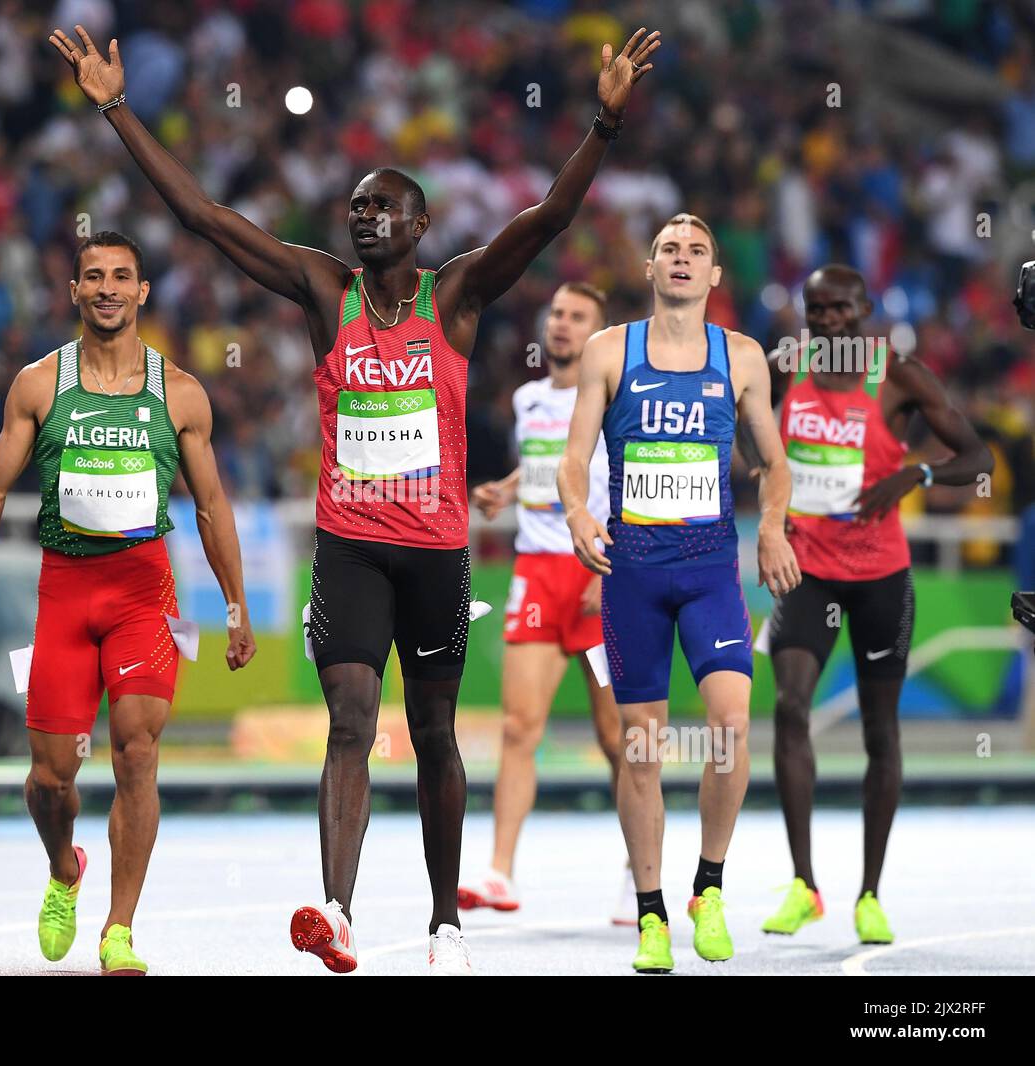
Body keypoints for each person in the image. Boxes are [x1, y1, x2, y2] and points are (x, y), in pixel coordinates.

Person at [48, 22, 659, 974]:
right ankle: (336, 911)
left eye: (384, 208)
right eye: (357, 206)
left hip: (435, 550)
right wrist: (117, 110)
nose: (363, 216)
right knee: (348, 721)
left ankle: (445, 924)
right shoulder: (320, 285)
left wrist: (605, 127)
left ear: (418, 228)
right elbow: (206, 217)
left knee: (433, 733)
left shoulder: (453, 298)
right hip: (349, 546)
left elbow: (545, 220)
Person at [0, 231, 256, 975]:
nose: (109, 288)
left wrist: (236, 605)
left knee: (137, 754)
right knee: (50, 778)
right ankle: (64, 869)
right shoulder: (39, 385)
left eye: (123, 276)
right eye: (95, 277)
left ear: (143, 292)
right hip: (64, 594)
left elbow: (211, 506)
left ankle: (120, 929)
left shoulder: (179, 392)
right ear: (76, 292)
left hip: (145, 596)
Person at [558, 213, 801, 974]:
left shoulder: (743, 357)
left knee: (731, 728)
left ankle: (710, 887)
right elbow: (573, 461)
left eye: (699, 250)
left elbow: (776, 462)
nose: (685, 259)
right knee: (642, 751)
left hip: (707, 575)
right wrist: (574, 511)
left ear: (716, 275)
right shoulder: (608, 352)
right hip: (630, 577)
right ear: (651, 266)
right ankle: (652, 913)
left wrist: (771, 529)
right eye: (671, 248)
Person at [752, 264, 993, 944]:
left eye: (838, 309)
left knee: (878, 734)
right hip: (807, 569)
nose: (825, 320)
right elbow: (745, 424)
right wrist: (758, 464)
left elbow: (979, 460)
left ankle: (870, 894)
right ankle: (805, 885)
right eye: (814, 309)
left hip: (881, 576)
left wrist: (914, 475)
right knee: (790, 708)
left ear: (865, 310)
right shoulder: (785, 367)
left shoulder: (899, 374)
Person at [458, 282, 633, 923]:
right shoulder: (528, 398)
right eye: (557, 313)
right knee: (516, 728)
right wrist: (506, 491)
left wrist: (613, 563)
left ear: (600, 333)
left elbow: (623, 476)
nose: (561, 325)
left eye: (577, 317)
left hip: (598, 572)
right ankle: (500, 873)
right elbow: (553, 464)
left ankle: (635, 875)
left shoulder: (614, 400)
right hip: (536, 573)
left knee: (617, 738)